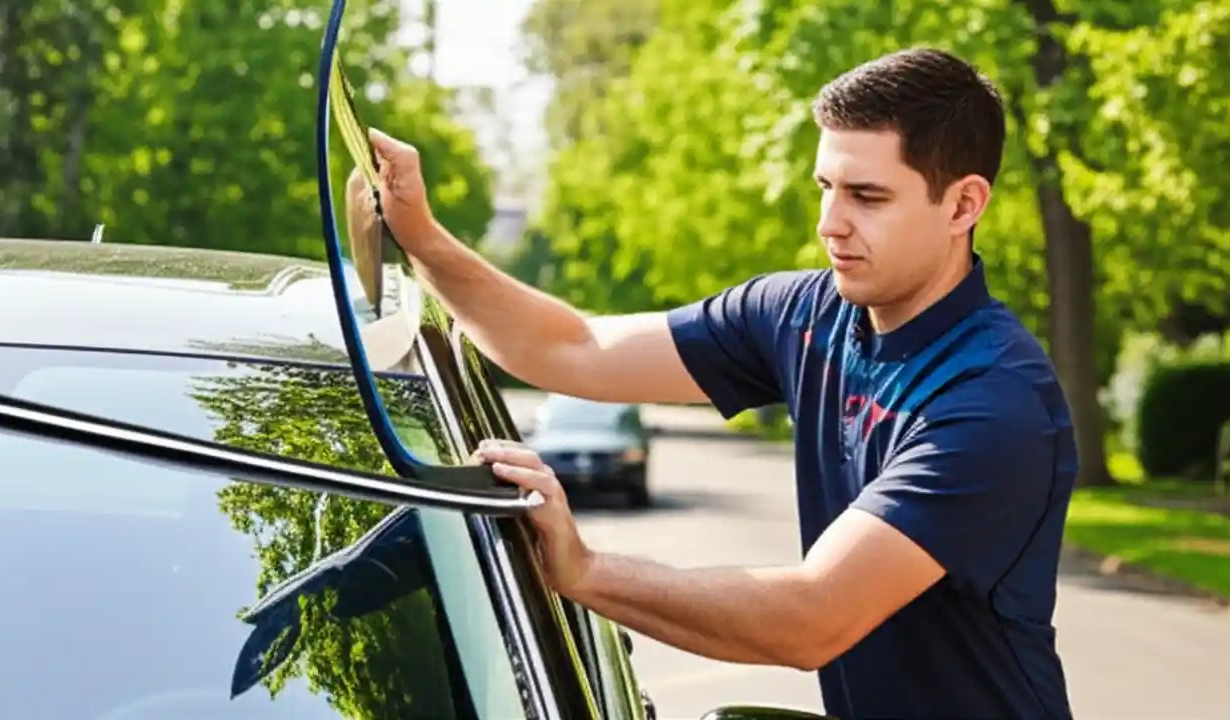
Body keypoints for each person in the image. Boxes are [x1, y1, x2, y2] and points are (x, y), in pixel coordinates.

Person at [349, 46, 1077, 720]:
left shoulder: (993, 402)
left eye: (867, 196)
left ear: (963, 205)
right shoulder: (804, 314)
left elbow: (812, 617)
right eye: (825, 186)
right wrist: (421, 238)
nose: (830, 223)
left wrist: (586, 570)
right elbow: (577, 347)